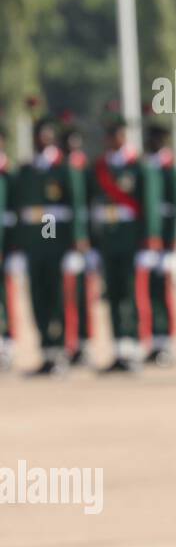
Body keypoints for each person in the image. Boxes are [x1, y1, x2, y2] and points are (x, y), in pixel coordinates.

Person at [9, 118, 88, 375]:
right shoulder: (27, 170)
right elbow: (20, 211)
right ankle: (46, 350)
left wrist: (76, 242)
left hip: (55, 240)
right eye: (37, 135)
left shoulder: (63, 168)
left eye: (45, 135)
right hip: (35, 243)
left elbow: (76, 206)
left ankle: (62, 350)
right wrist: (18, 246)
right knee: (38, 298)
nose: (40, 140)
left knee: (58, 298)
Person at [85, 115, 162, 372]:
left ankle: (136, 348)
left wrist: (149, 242)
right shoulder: (100, 168)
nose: (112, 140)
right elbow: (91, 206)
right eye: (109, 135)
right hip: (109, 240)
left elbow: (149, 205)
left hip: (132, 242)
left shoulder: (139, 166)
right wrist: (92, 244)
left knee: (133, 295)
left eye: (116, 134)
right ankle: (119, 348)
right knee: (114, 295)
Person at [143, 120, 176, 365]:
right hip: (149, 241)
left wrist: (171, 245)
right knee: (150, 292)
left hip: (164, 241)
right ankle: (155, 340)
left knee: (164, 293)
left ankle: (166, 342)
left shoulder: (170, 169)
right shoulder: (147, 167)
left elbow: (175, 209)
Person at [60, 120, 94, 366]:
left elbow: (89, 208)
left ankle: (85, 345)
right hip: (65, 245)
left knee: (84, 297)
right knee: (68, 297)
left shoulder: (87, 171)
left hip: (86, 244)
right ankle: (71, 344)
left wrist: (87, 240)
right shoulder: (60, 171)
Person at [0, 123, 14, 371]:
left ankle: (6, 347)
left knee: (5, 298)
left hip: (6, 246)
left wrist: (48, 241)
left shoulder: (12, 175)